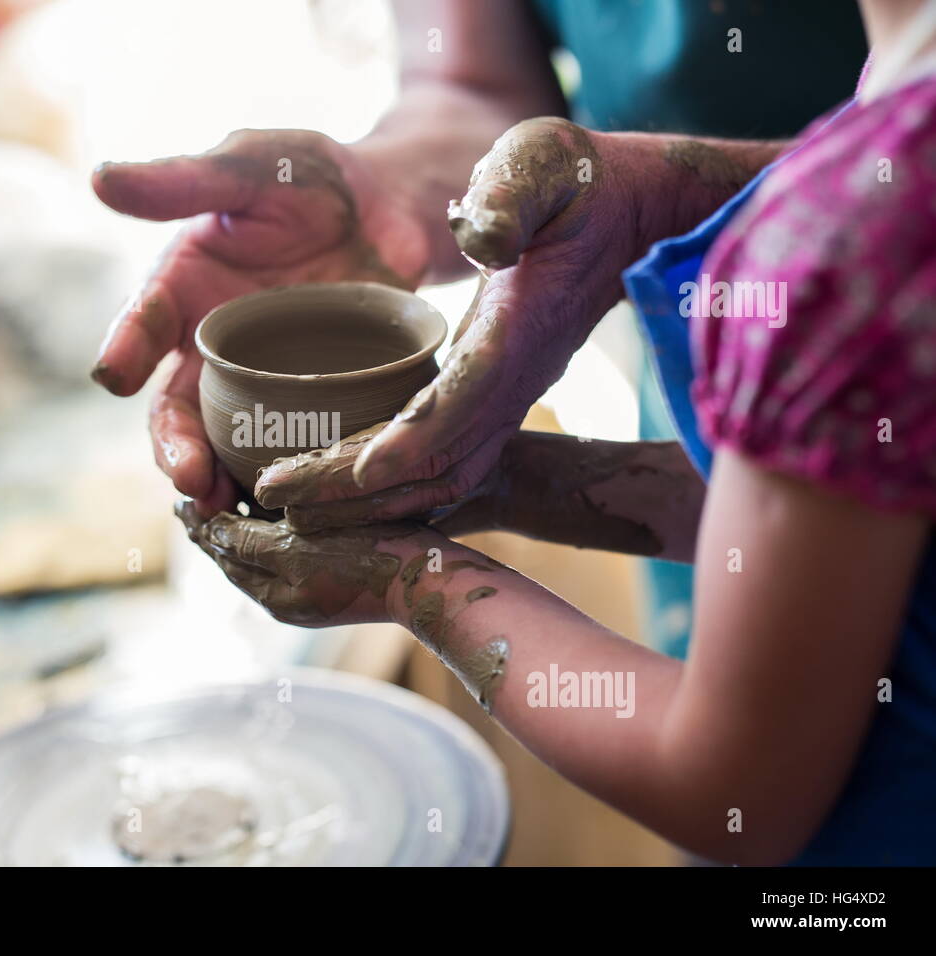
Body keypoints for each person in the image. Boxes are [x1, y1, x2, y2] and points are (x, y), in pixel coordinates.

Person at [179, 0, 936, 865]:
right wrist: (511, 481)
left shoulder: (842, 242)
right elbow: (852, 530)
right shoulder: (889, 129)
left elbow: (735, 786)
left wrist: (410, 580)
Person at [90, 0, 866, 658]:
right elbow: (471, 82)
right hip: (704, 437)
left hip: (879, 371)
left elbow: (726, 777)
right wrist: (385, 190)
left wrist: (660, 201)